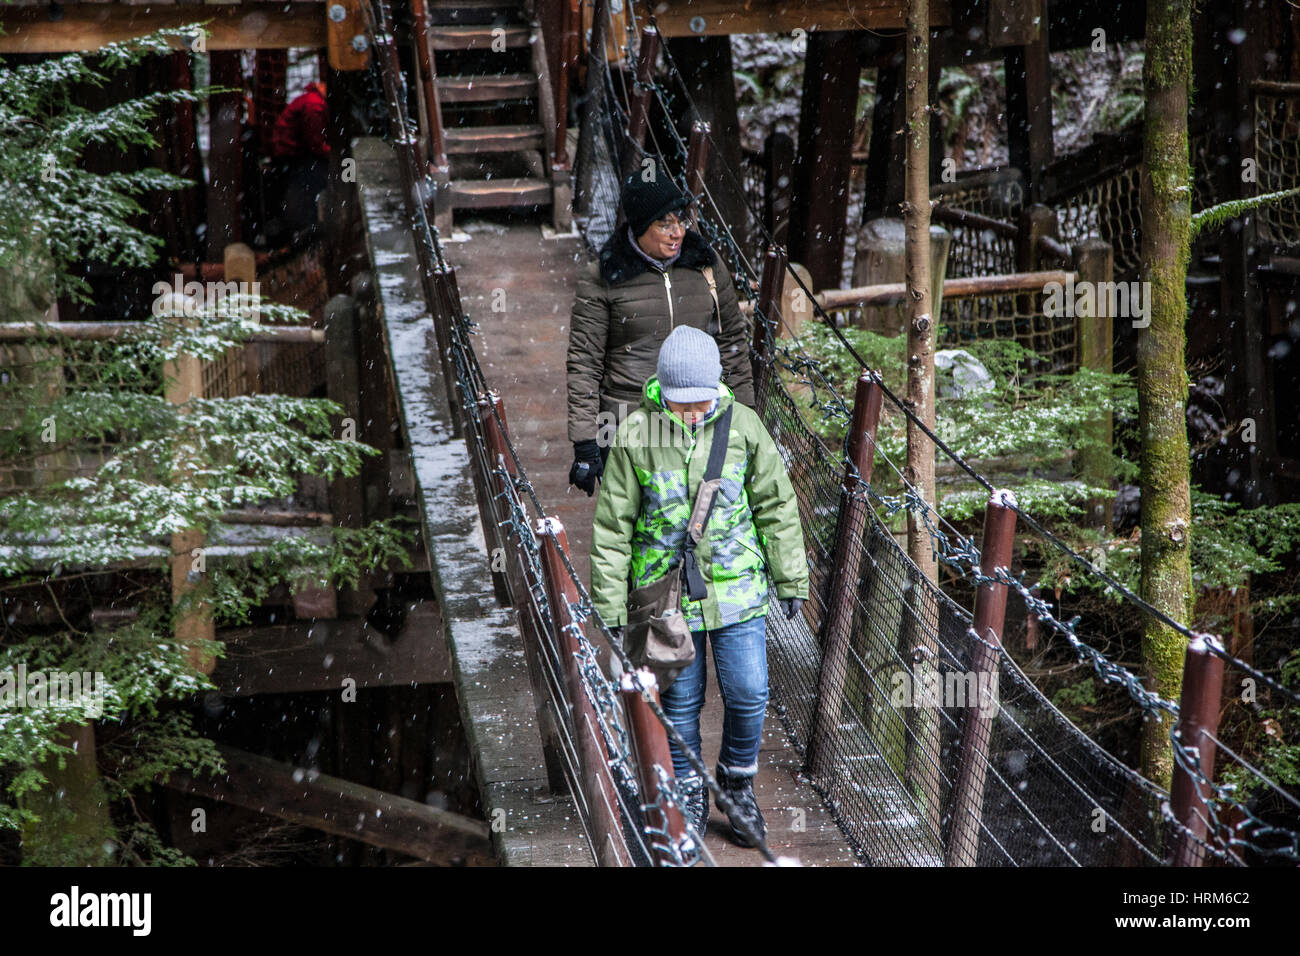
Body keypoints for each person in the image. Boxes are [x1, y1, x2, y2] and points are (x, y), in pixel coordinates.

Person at [590, 325, 809, 848]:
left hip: (738, 588)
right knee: (681, 700)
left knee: (749, 691)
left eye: (700, 401)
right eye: (680, 402)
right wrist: (611, 604)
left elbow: (776, 505)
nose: (691, 412)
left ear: (716, 389)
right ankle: (687, 787)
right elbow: (612, 526)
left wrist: (791, 576)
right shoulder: (637, 434)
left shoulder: (745, 427)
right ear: (660, 391)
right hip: (665, 597)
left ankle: (735, 782)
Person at [566, 166, 755, 496]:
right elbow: (585, 361)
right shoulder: (603, 277)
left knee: (694, 520)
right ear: (640, 227)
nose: (677, 232)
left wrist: (747, 420)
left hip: (698, 417)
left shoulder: (706, 267)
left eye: (680, 220)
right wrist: (584, 443)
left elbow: (732, 344)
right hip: (627, 422)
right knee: (634, 525)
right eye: (664, 223)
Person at [267, 81, 330, 245]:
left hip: (291, 154)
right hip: (291, 155)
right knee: (303, 189)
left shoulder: (312, 101)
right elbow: (315, 142)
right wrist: (333, 155)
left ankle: (299, 231)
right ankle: (301, 231)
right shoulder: (314, 105)